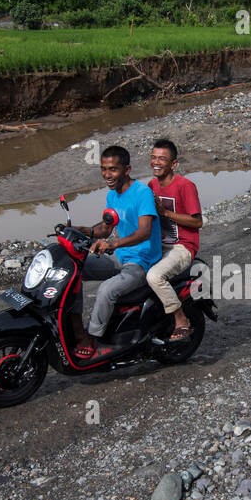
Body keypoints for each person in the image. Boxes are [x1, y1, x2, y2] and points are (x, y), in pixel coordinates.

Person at [66, 145, 162, 360]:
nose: (107, 175)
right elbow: (106, 227)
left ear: (126, 170)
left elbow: (145, 232)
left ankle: (94, 338)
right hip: (120, 256)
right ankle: (75, 328)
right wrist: (82, 230)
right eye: (103, 169)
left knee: (106, 290)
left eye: (113, 169)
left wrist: (113, 244)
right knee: (74, 270)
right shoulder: (112, 194)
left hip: (142, 261)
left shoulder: (142, 193)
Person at [145, 138, 202, 342]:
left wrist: (165, 213)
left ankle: (180, 319)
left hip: (182, 247)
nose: (156, 162)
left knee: (154, 277)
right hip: (159, 244)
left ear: (173, 164)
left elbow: (197, 222)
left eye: (162, 159)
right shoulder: (151, 185)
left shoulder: (185, 186)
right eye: (153, 157)